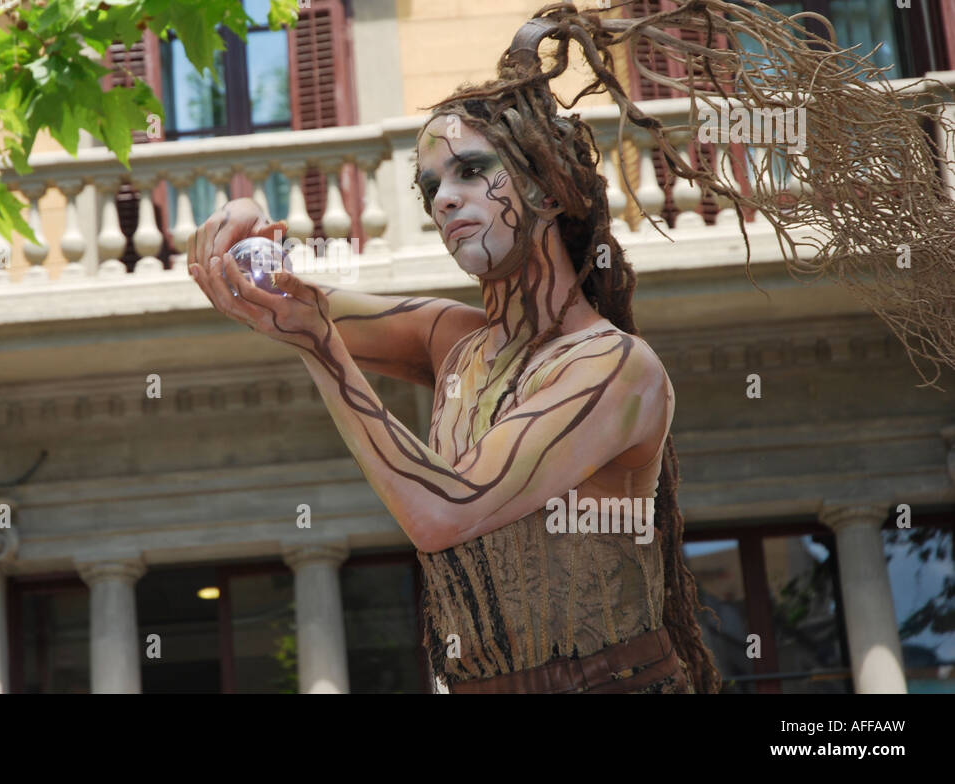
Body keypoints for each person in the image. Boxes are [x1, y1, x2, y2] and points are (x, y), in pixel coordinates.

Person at [185, 35, 721, 694]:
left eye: (471, 171)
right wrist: (241, 224)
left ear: (547, 190)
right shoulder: (453, 340)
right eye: (432, 184)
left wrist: (320, 347)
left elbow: (444, 512)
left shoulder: (614, 367)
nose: (443, 199)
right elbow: (289, 295)